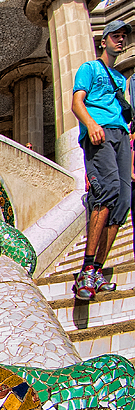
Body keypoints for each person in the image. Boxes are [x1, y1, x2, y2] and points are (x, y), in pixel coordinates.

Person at [72, 19, 132, 300]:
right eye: (116, 36)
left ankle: (97, 269)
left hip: (120, 135)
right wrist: (91, 124)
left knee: (122, 202)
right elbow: (77, 102)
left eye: (124, 37)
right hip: (99, 133)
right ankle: (85, 269)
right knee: (106, 193)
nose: (120, 40)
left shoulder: (119, 79)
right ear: (104, 40)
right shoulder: (90, 68)